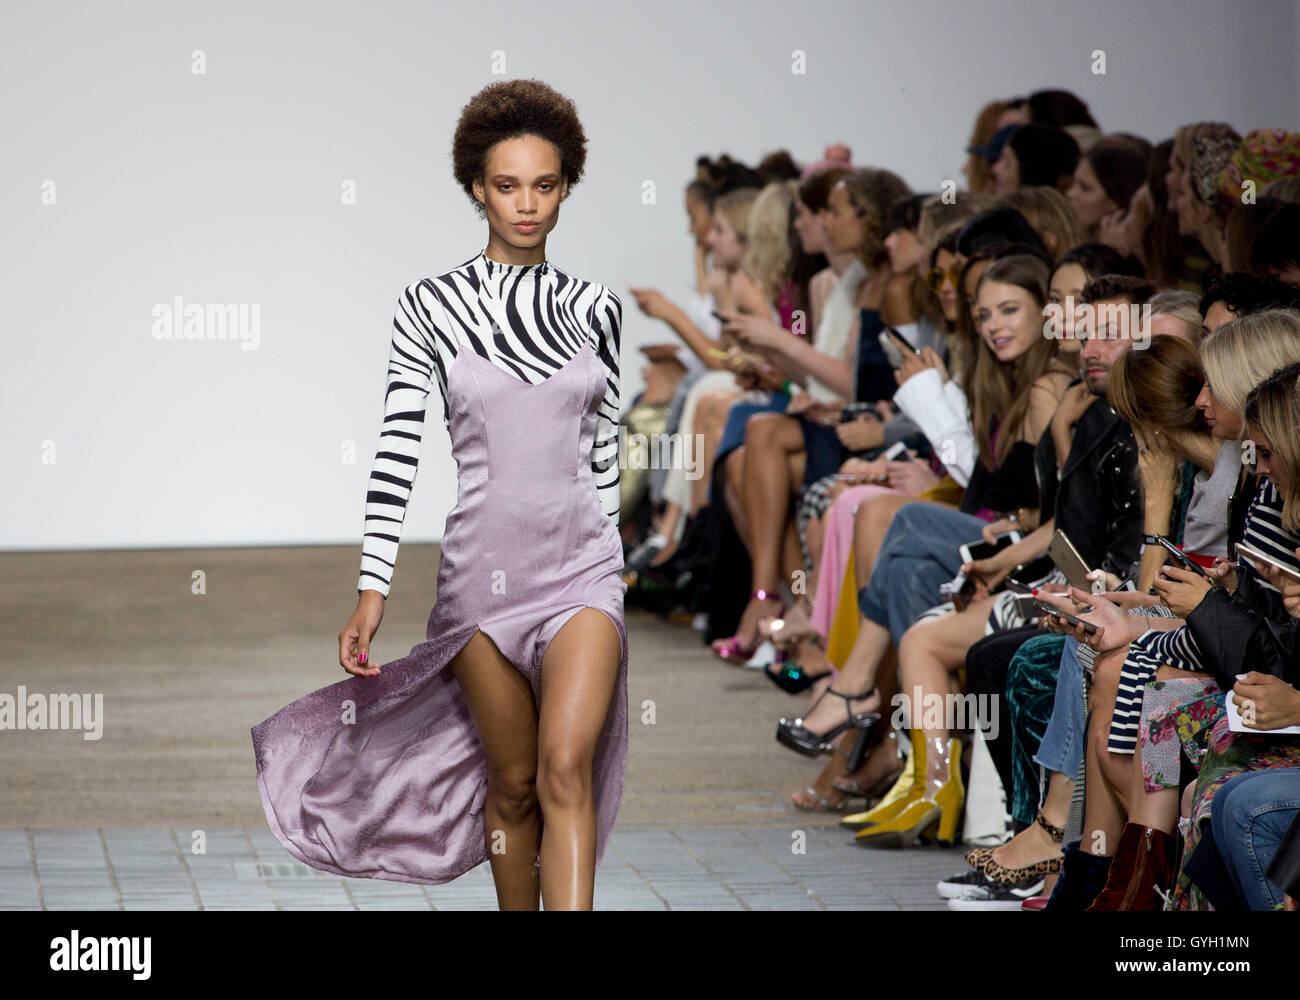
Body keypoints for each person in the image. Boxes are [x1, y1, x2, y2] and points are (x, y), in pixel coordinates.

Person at [251, 78, 627, 911]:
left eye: (544, 184)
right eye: (506, 185)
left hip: (583, 570)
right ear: (474, 188)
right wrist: (372, 589)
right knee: (515, 784)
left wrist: (621, 562)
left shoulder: (597, 307)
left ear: (566, 188)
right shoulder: (430, 307)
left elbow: (602, 448)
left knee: (568, 766)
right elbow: (398, 450)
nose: (525, 204)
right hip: (482, 582)